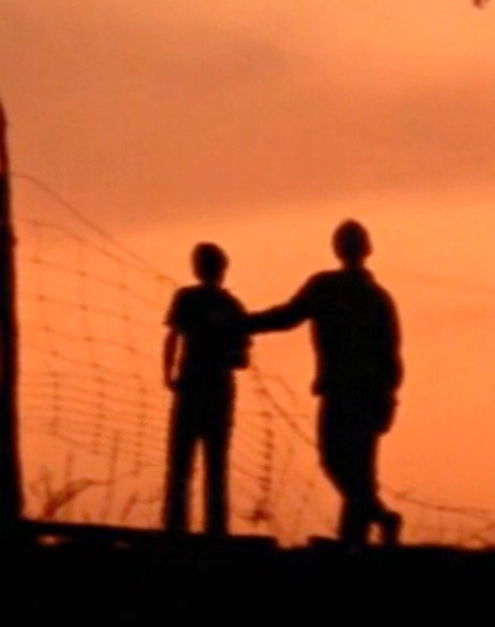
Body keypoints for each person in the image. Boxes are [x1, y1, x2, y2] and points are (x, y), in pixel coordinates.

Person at [247, 219, 402, 546]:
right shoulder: (378, 298)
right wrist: (389, 398)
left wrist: (244, 324)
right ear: (367, 249)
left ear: (338, 249)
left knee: (334, 461)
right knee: (360, 471)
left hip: (342, 392)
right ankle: (354, 541)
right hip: (370, 394)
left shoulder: (325, 286)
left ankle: (380, 517)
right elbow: (392, 356)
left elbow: (287, 317)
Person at [162, 241, 249, 536]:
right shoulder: (232, 306)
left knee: (179, 464)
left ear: (196, 268)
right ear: (222, 270)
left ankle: (175, 527)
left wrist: (168, 374)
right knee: (216, 465)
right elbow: (242, 358)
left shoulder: (185, 299)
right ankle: (216, 530)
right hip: (218, 391)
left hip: (189, 387)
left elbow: (172, 337)